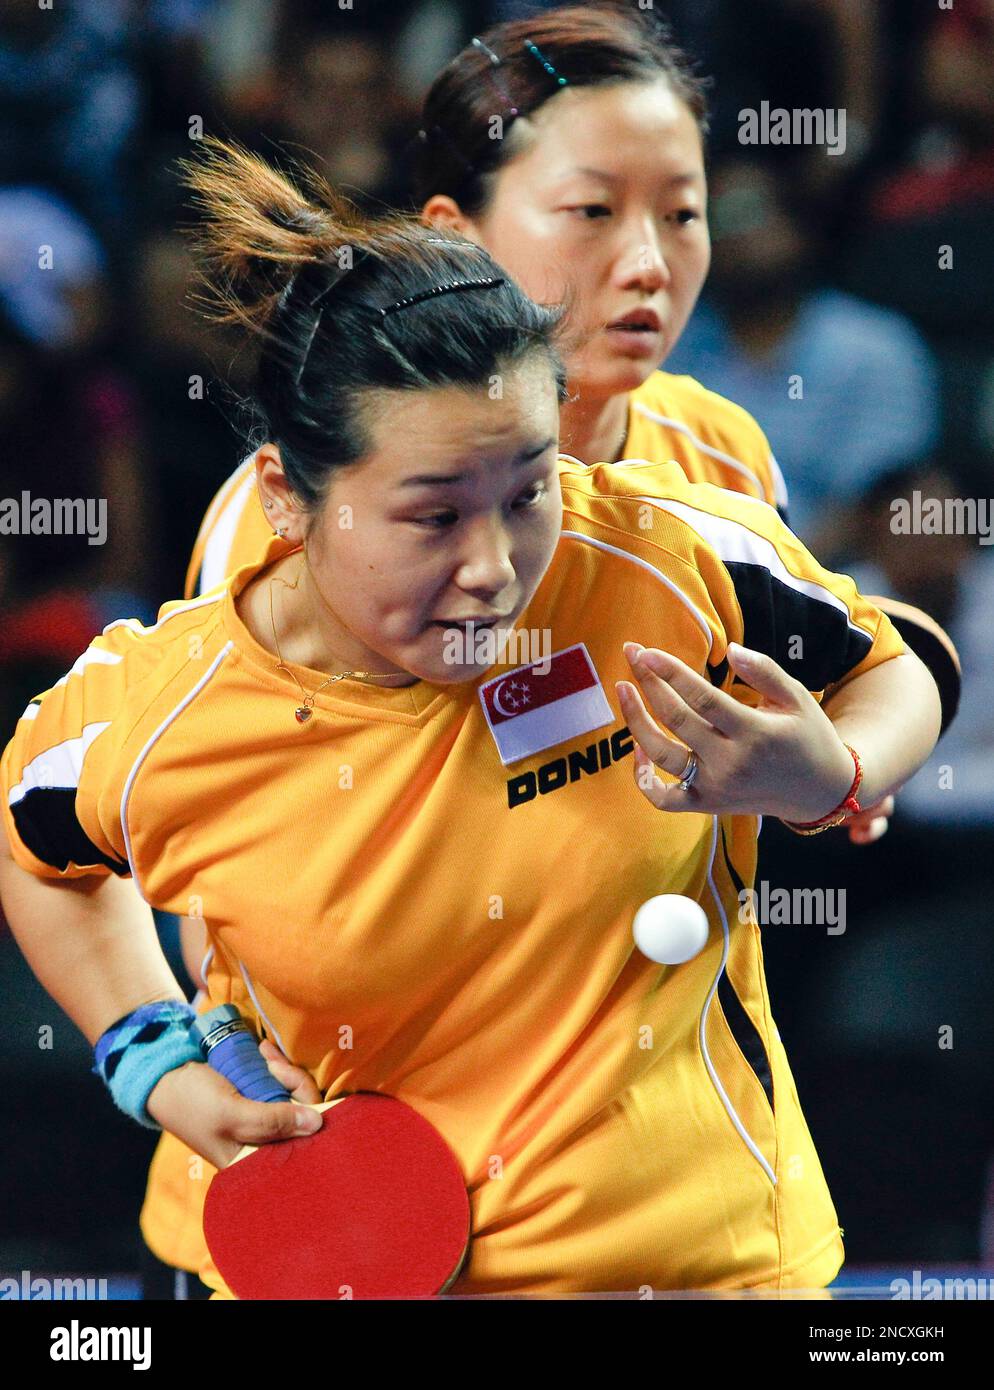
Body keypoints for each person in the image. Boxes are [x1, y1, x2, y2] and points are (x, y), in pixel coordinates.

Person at [0, 136, 942, 1297]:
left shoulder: (659, 555)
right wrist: (147, 1054)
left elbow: (896, 661)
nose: (496, 565)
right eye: (432, 515)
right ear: (289, 499)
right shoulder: (162, 709)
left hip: (698, 1264)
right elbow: (38, 849)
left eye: (527, 489)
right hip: (331, 1263)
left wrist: (833, 771)